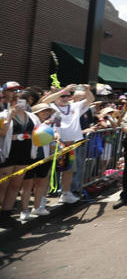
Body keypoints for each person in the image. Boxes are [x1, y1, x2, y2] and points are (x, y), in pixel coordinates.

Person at [40, 83, 94, 204]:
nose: (65, 98)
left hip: (71, 145)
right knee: (48, 172)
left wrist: (87, 89)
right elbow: (44, 101)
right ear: (57, 97)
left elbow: (90, 99)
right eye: (62, 96)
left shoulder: (75, 106)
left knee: (69, 170)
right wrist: (64, 90)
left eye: (67, 96)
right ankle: (42, 198)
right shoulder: (52, 107)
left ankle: (66, 193)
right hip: (54, 143)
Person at [0, 91, 41, 228]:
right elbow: (2, 132)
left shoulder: (32, 117)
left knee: (15, 185)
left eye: (23, 100)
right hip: (9, 153)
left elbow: (38, 131)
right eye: (16, 100)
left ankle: (6, 214)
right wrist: (11, 115)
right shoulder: (3, 115)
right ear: (10, 102)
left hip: (25, 152)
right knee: (3, 186)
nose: (20, 103)